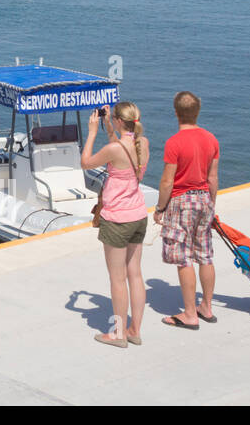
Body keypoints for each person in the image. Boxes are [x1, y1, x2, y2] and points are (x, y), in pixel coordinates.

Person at [81, 101, 149, 348]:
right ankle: (134, 330)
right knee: (135, 274)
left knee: (117, 278)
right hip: (138, 215)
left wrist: (90, 132)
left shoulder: (115, 149)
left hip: (117, 219)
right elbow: (118, 146)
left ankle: (118, 334)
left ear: (121, 121)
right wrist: (107, 124)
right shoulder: (143, 144)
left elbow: (86, 162)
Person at [154, 91, 220, 330]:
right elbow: (213, 178)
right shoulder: (211, 139)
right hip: (204, 200)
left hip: (182, 202)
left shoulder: (174, 142)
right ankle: (207, 307)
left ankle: (190, 314)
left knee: (184, 259)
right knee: (205, 255)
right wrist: (211, 206)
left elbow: (166, 182)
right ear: (198, 111)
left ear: (176, 113)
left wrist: (160, 208)